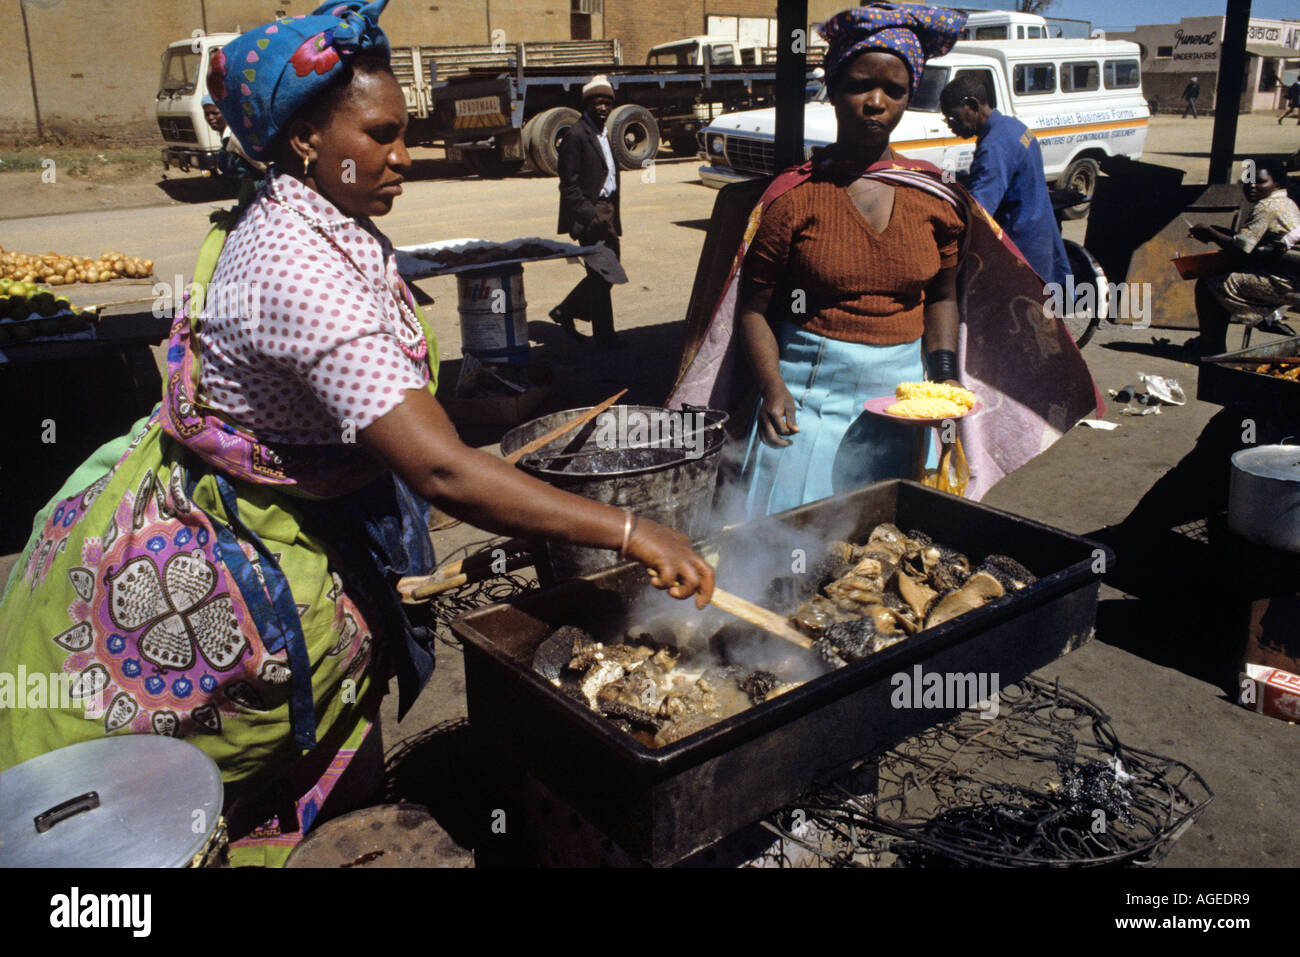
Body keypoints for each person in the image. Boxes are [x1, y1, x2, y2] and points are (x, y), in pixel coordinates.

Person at [0, 0, 712, 867]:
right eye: (379, 135)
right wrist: (633, 531)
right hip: (224, 560)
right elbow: (444, 472)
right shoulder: (295, 267)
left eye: (403, 133)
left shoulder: (307, 214)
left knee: (309, 765)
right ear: (305, 139)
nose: (403, 157)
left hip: (289, 520)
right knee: (174, 807)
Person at [668, 3, 1101, 515]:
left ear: (907, 97)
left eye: (893, 91)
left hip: (901, 403)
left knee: (877, 547)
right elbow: (754, 310)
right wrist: (773, 387)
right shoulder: (794, 199)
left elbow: (941, 296)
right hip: (805, 402)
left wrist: (941, 379)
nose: (875, 102)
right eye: (858, 85)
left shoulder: (934, 199)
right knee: (783, 549)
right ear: (831, 89)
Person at [939, 73, 1068, 289]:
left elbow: (980, 209)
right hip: (1038, 233)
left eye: (953, 117)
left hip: (1018, 244)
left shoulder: (994, 146)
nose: (951, 126)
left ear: (972, 105)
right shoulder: (1014, 127)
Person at [1189, 157, 1300, 357]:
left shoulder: (1266, 207)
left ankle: (1215, 346)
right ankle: (1213, 341)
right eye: (1248, 181)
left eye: (1260, 181)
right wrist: (1218, 232)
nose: (1252, 186)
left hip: (1286, 283)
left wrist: (1209, 232)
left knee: (1208, 283)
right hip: (1288, 275)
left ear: (1276, 183)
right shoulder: (1287, 202)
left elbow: (1242, 247)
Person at [551, 76, 622, 348]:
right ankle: (605, 337)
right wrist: (588, 214)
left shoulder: (602, 132)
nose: (603, 107)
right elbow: (568, 185)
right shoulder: (576, 135)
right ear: (586, 105)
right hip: (592, 212)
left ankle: (566, 310)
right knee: (603, 273)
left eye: (607, 103)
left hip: (609, 209)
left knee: (606, 272)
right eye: (597, 102)